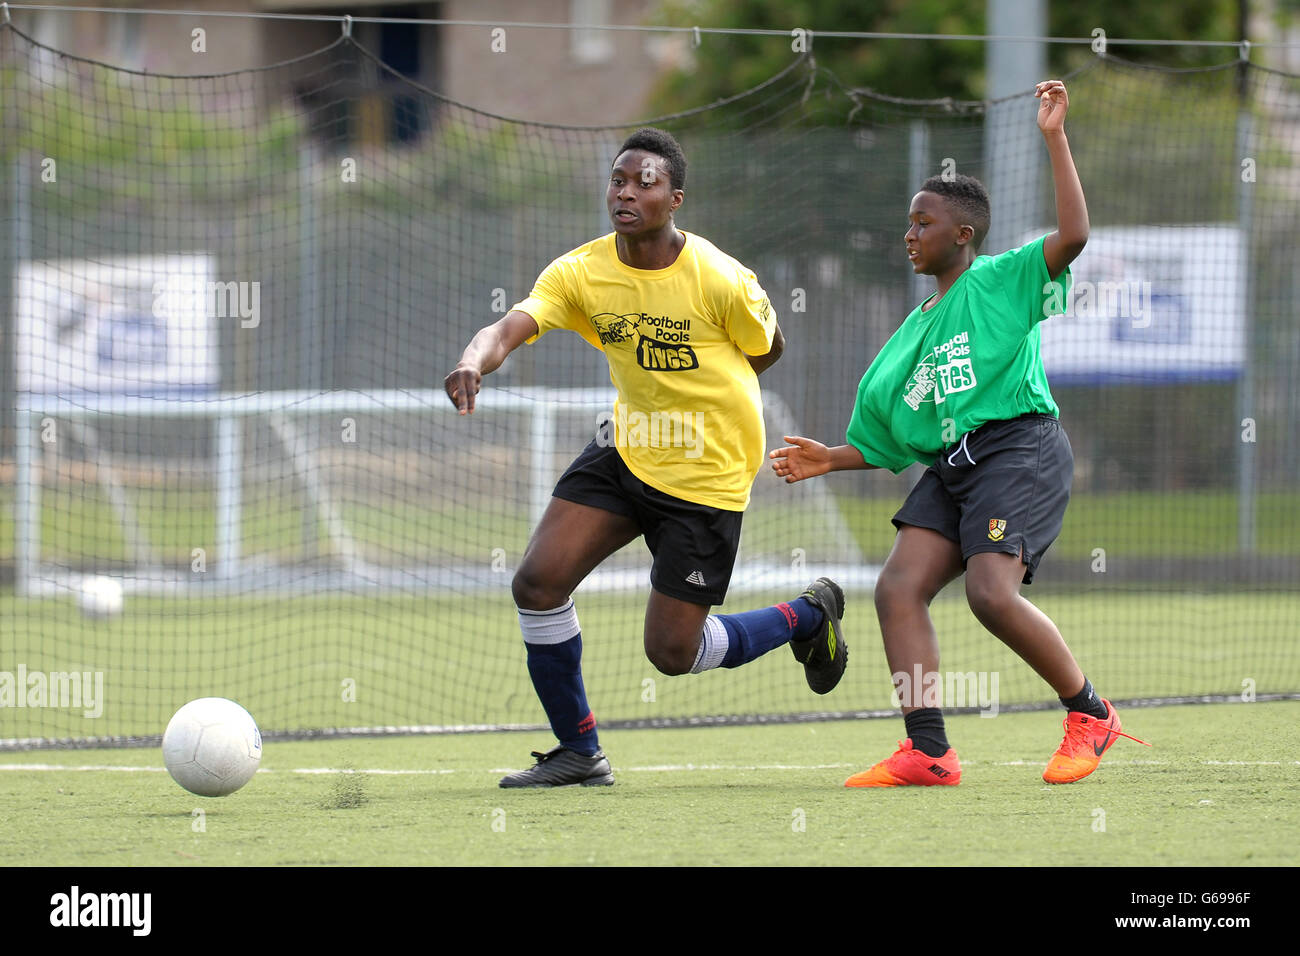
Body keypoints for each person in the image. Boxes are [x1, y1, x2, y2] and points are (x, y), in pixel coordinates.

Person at [445, 127, 847, 788]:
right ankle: (580, 752)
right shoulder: (581, 271)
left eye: (645, 182)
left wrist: (708, 395)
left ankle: (807, 616)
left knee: (671, 654)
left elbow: (767, 348)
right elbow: (509, 328)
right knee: (537, 583)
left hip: (708, 474)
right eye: (618, 180)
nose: (626, 192)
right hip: (627, 450)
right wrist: (471, 360)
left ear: (675, 199)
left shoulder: (719, 276)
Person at [769, 80, 1145, 787]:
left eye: (923, 223)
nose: (909, 235)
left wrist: (1055, 137)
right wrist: (831, 459)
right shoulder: (912, 335)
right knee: (896, 589)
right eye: (909, 224)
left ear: (962, 235)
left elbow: (1075, 236)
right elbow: (893, 443)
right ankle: (930, 751)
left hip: (1020, 446)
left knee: (990, 594)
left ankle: (1091, 713)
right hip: (955, 463)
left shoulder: (1001, 281)